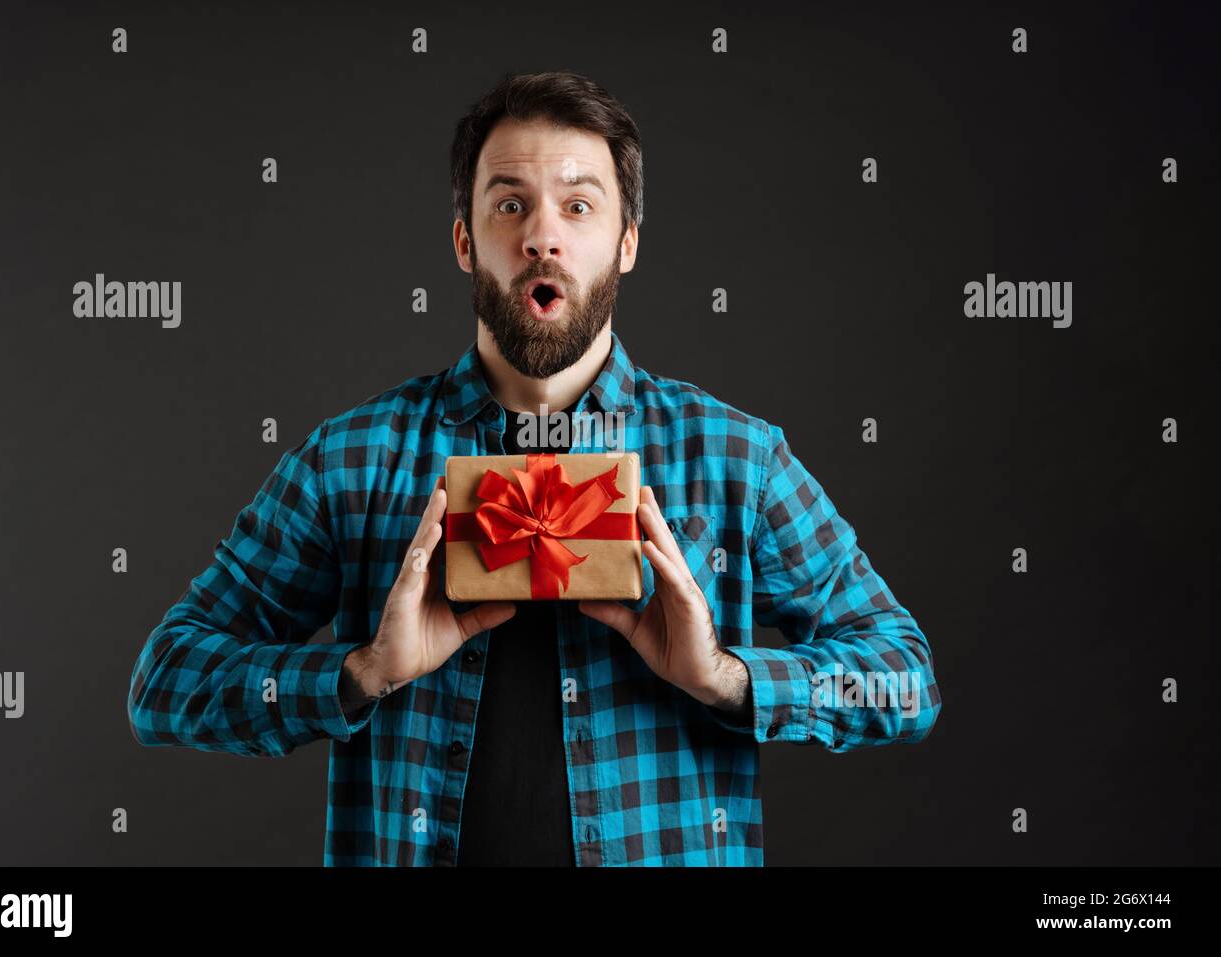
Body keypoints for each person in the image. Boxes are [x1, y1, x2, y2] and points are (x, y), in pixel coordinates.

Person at [127, 70, 941, 867]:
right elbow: (163, 681)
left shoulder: (737, 458)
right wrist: (362, 672)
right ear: (463, 239)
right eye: (509, 203)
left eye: (578, 205)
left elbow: (905, 682)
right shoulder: (349, 460)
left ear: (625, 244)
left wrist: (727, 678)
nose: (541, 235)